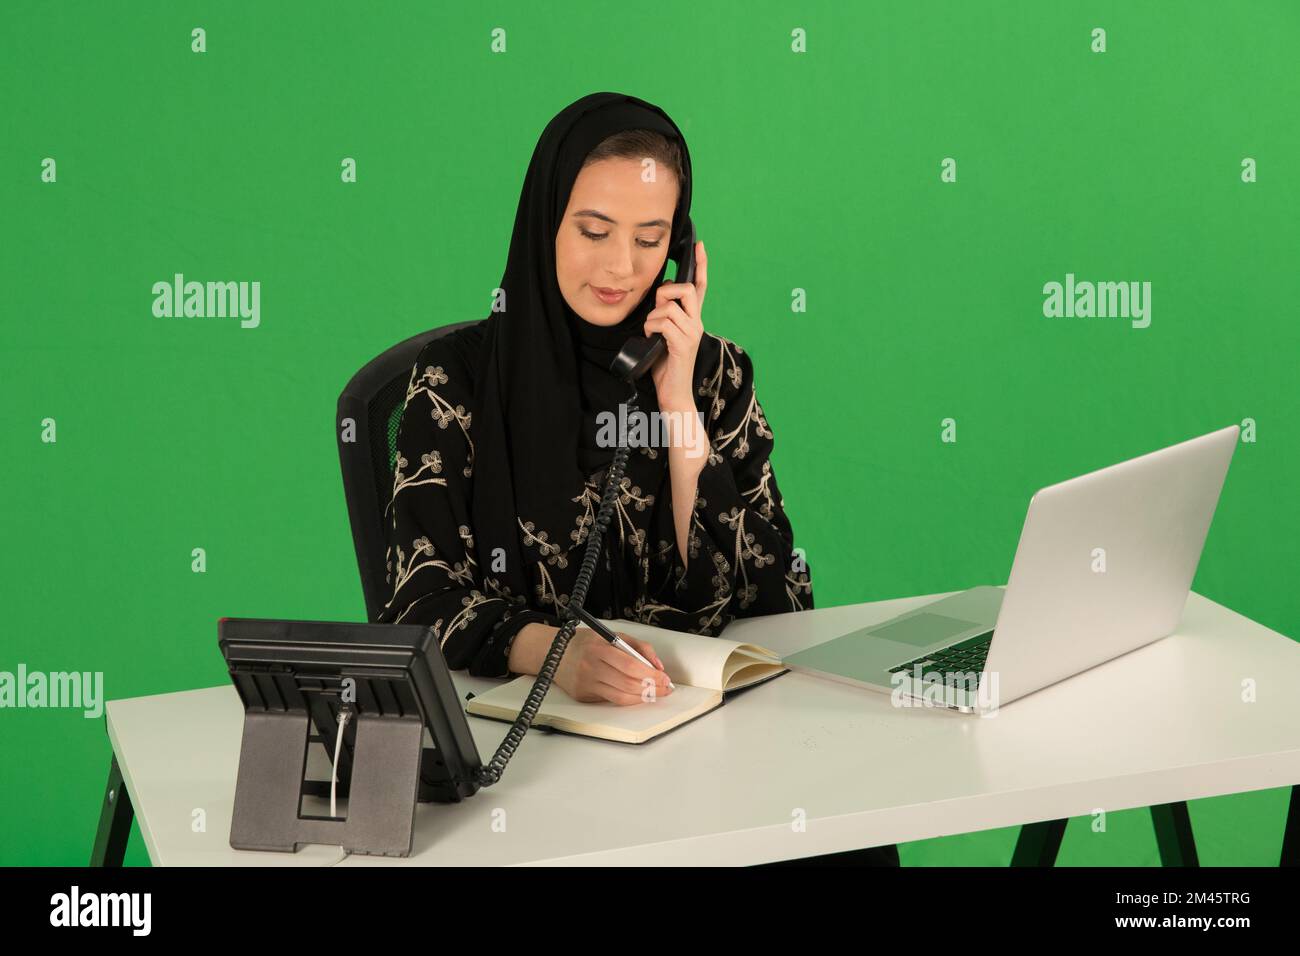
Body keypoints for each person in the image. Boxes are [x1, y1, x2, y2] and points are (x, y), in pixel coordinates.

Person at [377, 92, 813, 707]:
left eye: (649, 239)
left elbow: (780, 603)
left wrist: (679, 410)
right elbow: (417, 606)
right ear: (545, 221)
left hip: (696, 740)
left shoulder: (716, 375)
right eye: (594, 231)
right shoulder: (456, 381)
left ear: (680, 252)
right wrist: (555, 654)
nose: (620, 267)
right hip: (515, 740)